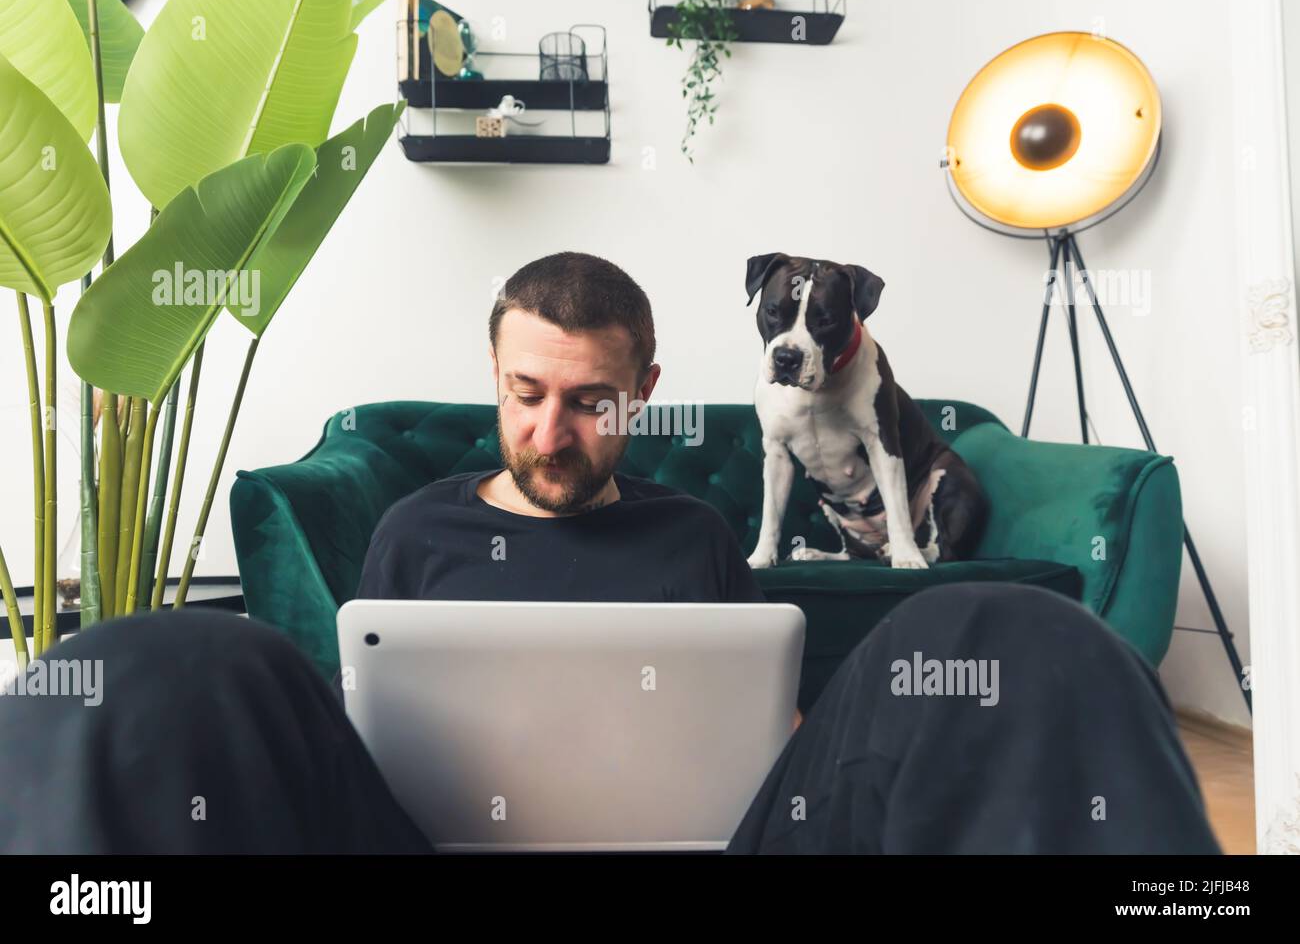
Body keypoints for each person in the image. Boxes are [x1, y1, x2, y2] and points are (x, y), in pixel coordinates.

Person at [0, 253, 1221, 855]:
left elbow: (782, 740)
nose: (552, 430)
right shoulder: (415, 528)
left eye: (591, 401)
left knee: (1011, 636)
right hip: (432, 842)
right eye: (526, 393)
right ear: (494, 375)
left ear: (643, 389)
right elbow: (356, 735)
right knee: (150, 662)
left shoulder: (691, 535)